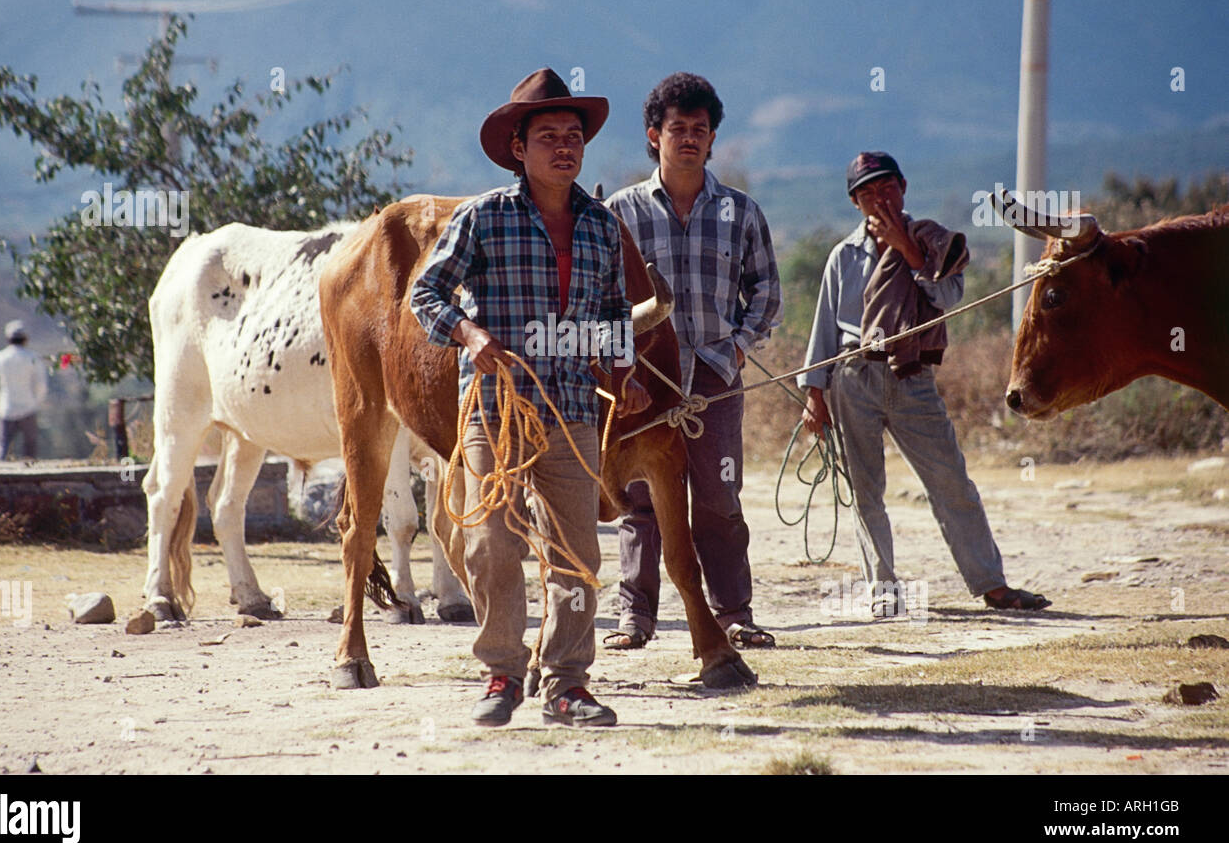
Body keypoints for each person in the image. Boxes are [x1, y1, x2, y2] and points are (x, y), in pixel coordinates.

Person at [410, 68, 651, 728]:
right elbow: (424, 294)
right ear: (519, 148)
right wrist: (467, 331)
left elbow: (612, 313)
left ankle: (567, 683)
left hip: (572, 408)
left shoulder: (601, 227)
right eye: (549, 136)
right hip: (496, 407)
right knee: (489, 542)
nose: (565, 148)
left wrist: (621, 371)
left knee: (577, 556)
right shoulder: (483, 217)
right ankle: (500, 672)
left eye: (574, 136)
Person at [799, 151, 1050, 615]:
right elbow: (825, 331)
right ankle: (882, 589)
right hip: (853, 377)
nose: (880, 198)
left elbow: (948, 297)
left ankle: (992, 584)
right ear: (855, 202)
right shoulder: (843, 256)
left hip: (911, 375)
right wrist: (814, 395)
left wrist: (906, 248)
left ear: (904, 186)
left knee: (951, 481)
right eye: (868, 192)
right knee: (865, 488)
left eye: (887, 187)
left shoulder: (932, 242)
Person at [604, 73, 784, 651]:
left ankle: (733, 613)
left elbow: (766, 292)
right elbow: (600, 297)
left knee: (717, 496)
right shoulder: (618, 214)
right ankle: (636, 616)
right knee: (640, 501)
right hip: (639, 379)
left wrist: (737, 346)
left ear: (712, 141)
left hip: (713, 375)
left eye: (699, 130)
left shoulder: (741, 212)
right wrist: (618, 365)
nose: (688, 139)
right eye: (676, 128)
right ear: (653, 136)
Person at [0, 320, 48, 461]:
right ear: (25, 338)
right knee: (30, 445)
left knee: (3, 444)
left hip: (6, 407)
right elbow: (40, 384)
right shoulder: (33, 357)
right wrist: (36, 402)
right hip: (28, 406)